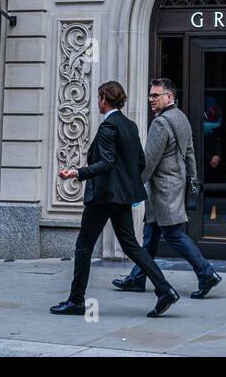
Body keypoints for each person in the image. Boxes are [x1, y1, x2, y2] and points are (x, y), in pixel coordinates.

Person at [50, 81, 179, 318]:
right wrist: (126, 184)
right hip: (122, 196)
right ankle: (165, 289)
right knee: (131, 245)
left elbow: (107, 163)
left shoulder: (108, 126)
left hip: (104, 196)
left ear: (103, 99)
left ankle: (76, 300)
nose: (98, 102)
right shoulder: (129, 125)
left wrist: (77, 172)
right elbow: (140, 161)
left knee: (83, 246)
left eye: (99, 98)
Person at [113, 78, 223, 299]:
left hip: (163, 189)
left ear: (169, 97)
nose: (151, 99)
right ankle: (137, 278)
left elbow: (149, 161)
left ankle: (206, 273)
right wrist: (193, 178)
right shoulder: (181, 117)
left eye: (156, 95)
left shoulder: (160, 123)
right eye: (150, 95)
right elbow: (190, 152)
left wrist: (132, 186)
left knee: (173, 234)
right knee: (151, 235)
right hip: (175, 184)